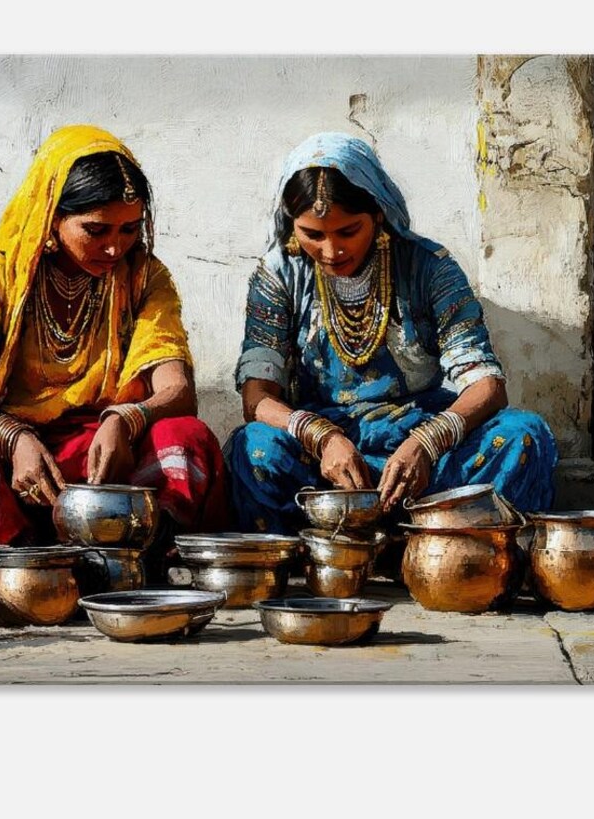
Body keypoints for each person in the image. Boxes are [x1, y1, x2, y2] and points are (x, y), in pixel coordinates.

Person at [0, 124, 229, 589]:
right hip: (9, 464)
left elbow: (176, 390)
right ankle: (5, 557)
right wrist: (14, 438)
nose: (115, 247)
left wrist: (124, 419)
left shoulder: (143, 276)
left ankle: (130, 557)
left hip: (98, 461)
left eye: (130, 229)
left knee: (184, 436)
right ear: (53, 216)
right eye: (96, 230)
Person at [227, 131, 557, 534]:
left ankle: (450, 551)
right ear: (291, 224)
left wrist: (426, 442)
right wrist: (321, 437)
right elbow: (257, 397)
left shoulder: (430, 268)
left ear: (379, 214)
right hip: (327, 454)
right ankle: (327, 552)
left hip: (422, 439)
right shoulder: (278, 274)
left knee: (523, 434)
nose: (331, 251)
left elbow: (486, 385)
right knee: (255, 448)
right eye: (312, 235)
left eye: (348, 232)